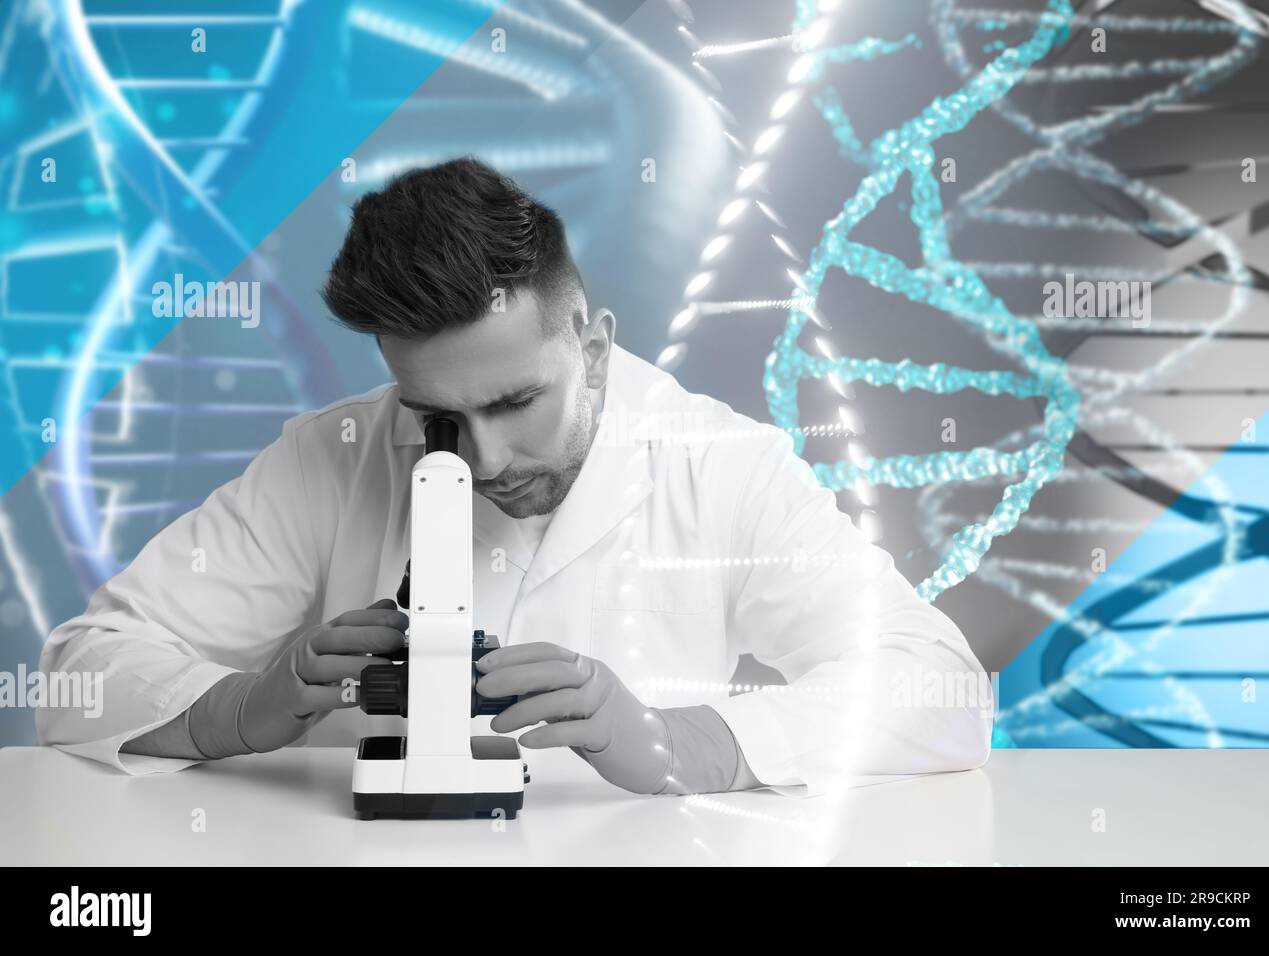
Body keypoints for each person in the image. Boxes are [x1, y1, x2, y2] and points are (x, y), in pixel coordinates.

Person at [39, 157, 992, 796]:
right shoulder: (332, 456)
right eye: (438, 419)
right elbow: (79, 670)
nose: (482, 460)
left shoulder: (724, 466)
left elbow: (942, 688)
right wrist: (238, 709)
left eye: (514, 403)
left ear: (596, 346)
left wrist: (687, 742)